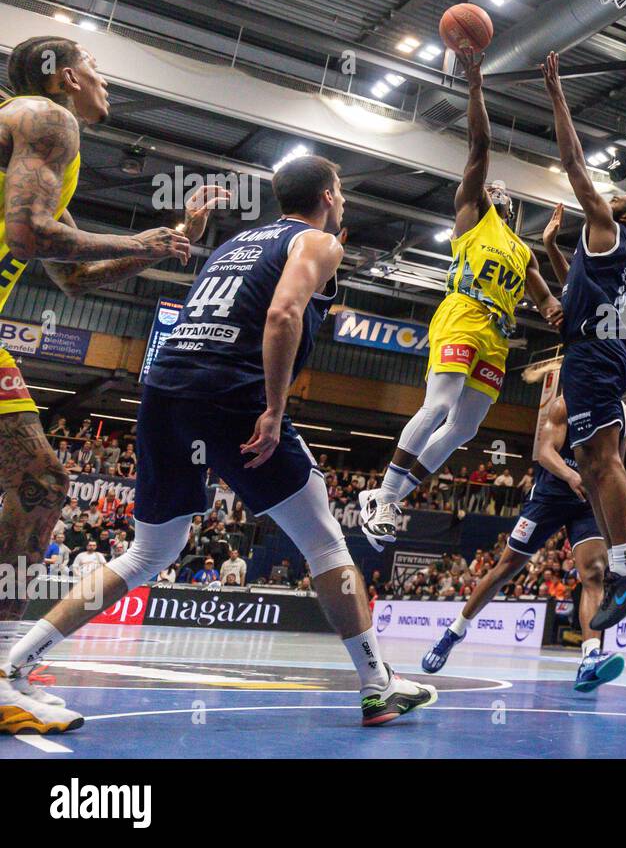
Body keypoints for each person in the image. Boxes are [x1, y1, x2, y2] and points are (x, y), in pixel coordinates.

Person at [4, 155, 433, 731]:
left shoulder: (237, 244)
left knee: (148, 552)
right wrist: (276, 410)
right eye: (342, 197)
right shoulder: (317, 243)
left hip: (165, 388)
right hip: (231, 392)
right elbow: (283, 314)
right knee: (326, 543)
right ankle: (378, 685)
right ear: (329, 197)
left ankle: (17, 660)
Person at [0, 37, 216, 734]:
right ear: (66, 76)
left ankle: (3, 671)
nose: (104, 79)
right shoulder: (45, 118)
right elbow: (28, 234)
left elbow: (71, 274)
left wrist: (164, 240)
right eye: (94, 65)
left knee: (41, 484)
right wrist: (136, 243)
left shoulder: (49, 140)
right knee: (40, 480)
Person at [358, 51, 562, 540]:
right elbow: (480, 145)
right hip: (462, 312)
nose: (499, 192)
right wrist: (474, 88)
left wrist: (567, 281)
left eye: (506, 194)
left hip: (496, 333)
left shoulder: (522, 251)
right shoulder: (474, 216)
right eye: (495, 188)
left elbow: (551, 306)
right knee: (438, 405)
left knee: (465, 427)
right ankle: (384, 496)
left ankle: (385, 501)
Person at [541, 50, 626, 631]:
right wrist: (550, 250)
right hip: (591, 347)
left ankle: (624, 563)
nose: (608, 197)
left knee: (602, 457)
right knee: (588, 459)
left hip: (596, 352)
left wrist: (558, 95)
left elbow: (572, 164)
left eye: (620, 198)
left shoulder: (610, 229)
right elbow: (575, 290)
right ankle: (622, 564)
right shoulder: (608, 248)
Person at [424, 393, 626, 691]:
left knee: (594, 573)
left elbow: (616, 465)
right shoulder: (565, 405)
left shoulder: (625, 417)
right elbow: (545, 452)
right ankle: (455, 631)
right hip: (550, 496)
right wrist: (570, 475)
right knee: (506, 568)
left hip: (587, 502)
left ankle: (590, 659)